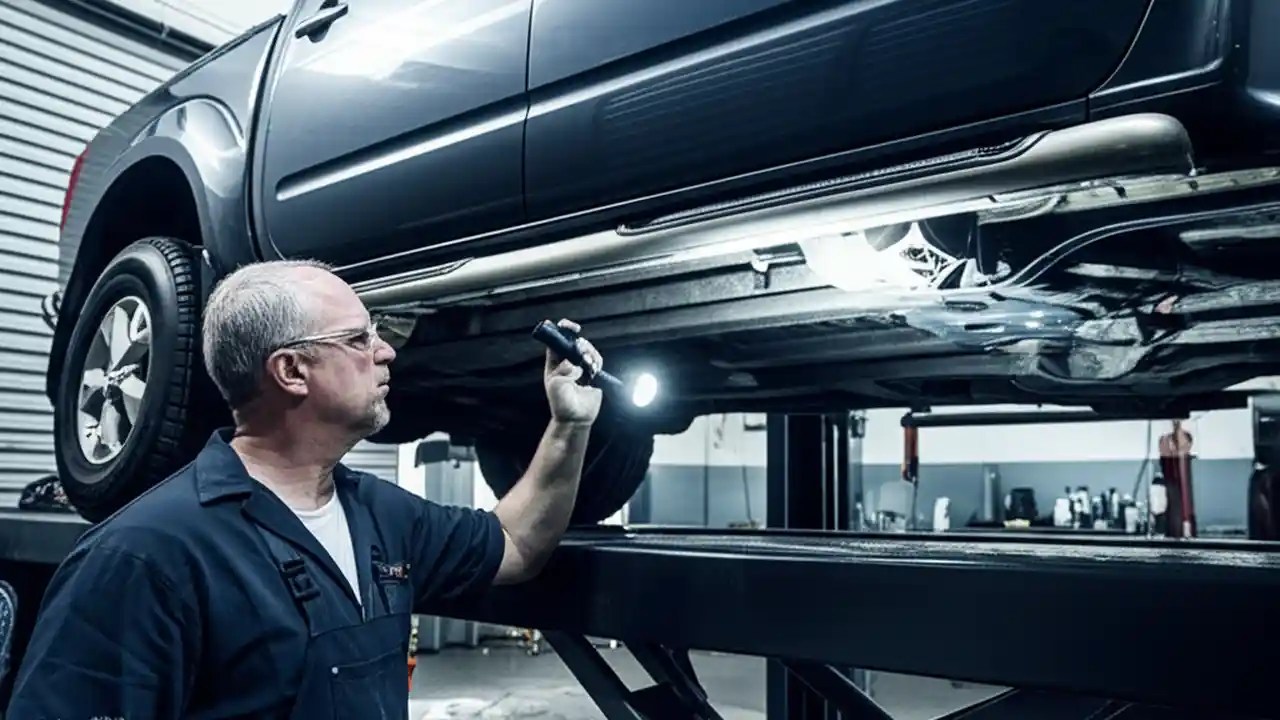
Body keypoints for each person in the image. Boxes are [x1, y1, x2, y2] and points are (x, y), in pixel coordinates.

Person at [7, 259, 604, 718]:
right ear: (291, 371)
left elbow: (515, 544)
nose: (386, 350)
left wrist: (569, 423)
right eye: (358, 338)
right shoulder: (144, 557)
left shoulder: (379, 514)